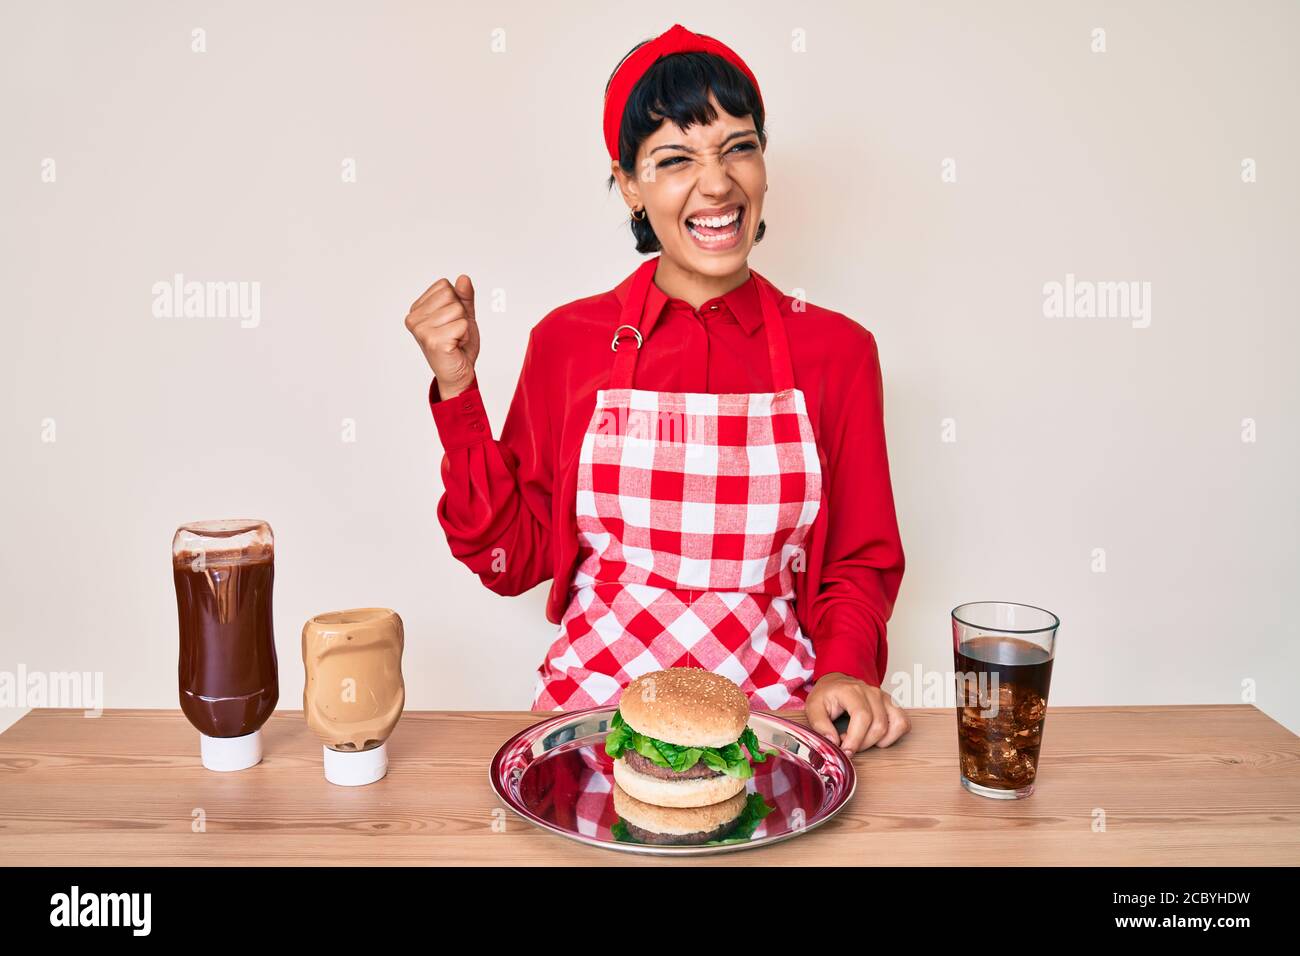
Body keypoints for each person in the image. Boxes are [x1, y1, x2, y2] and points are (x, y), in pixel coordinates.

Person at [404, 24, 908, 753]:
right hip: (590, 721)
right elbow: (511, 557)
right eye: (675, 159)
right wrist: (458, 391)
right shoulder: (568, 343)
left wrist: (846, 671)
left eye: (740, 146)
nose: (717, 182)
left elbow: (859, 562)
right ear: (631, 184)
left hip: (773, 721)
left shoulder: (838, 352)